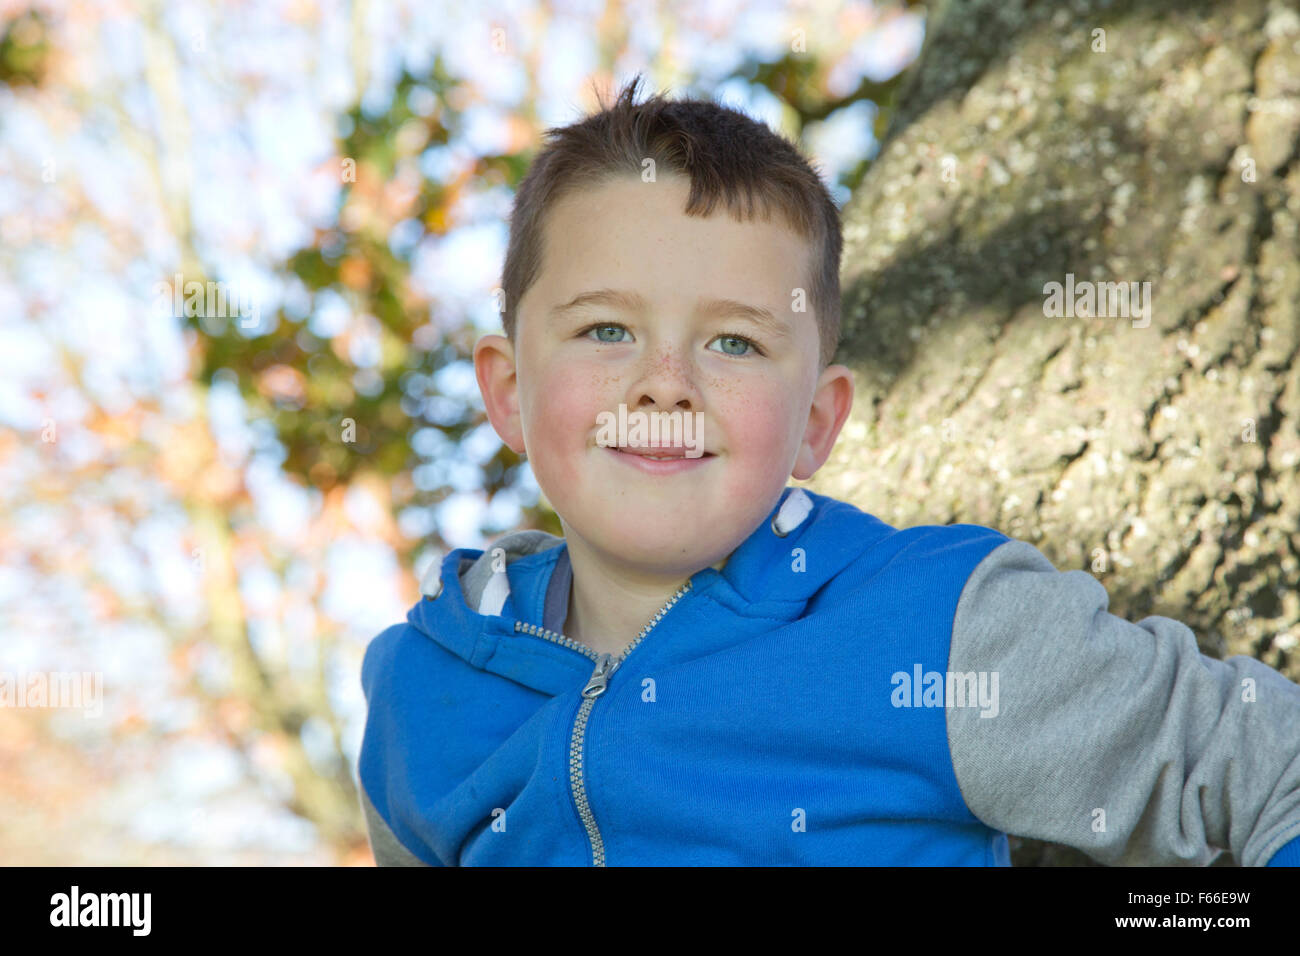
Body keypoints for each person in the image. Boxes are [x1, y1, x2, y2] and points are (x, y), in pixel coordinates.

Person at [357, 75, 1300, 866]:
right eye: (608, 329)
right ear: (509, 391)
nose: (664, 385)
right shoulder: (423, 690)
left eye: (733, 341)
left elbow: (1271, 766)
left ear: (815, 422)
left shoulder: (943, 631)